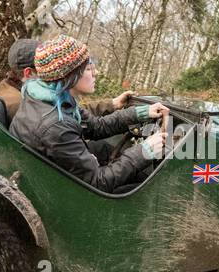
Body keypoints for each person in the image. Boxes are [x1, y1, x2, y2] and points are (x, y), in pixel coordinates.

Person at [11, 35, 167, 193]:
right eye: (88, 68)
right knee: (150, 192)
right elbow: (97, 182)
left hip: (52, 181)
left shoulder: (50, 98)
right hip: (62, 194)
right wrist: (144, 151)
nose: (96, 72)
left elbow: (97, 127)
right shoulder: (55, 124)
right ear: (69, 75)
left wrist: (140, 112)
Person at [0, 37, 132, 122]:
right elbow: (65, 116)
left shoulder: (12, 88)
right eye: (44, 66)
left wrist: (111, 104)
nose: (54, 71)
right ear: (28, 73)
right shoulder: (20, 104)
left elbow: (68, 109)